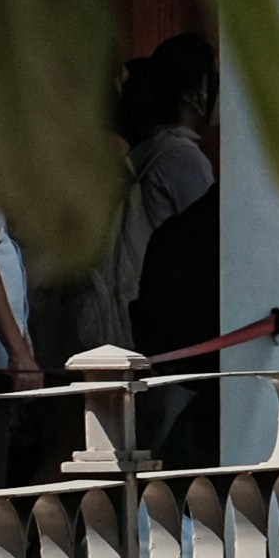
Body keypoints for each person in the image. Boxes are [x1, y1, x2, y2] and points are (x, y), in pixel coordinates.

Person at [88, 35, 218, 354]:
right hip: (173, 316)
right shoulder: (182, 158)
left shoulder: (150, 148)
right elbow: (212, 241)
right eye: (214, 77)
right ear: (192, 93)